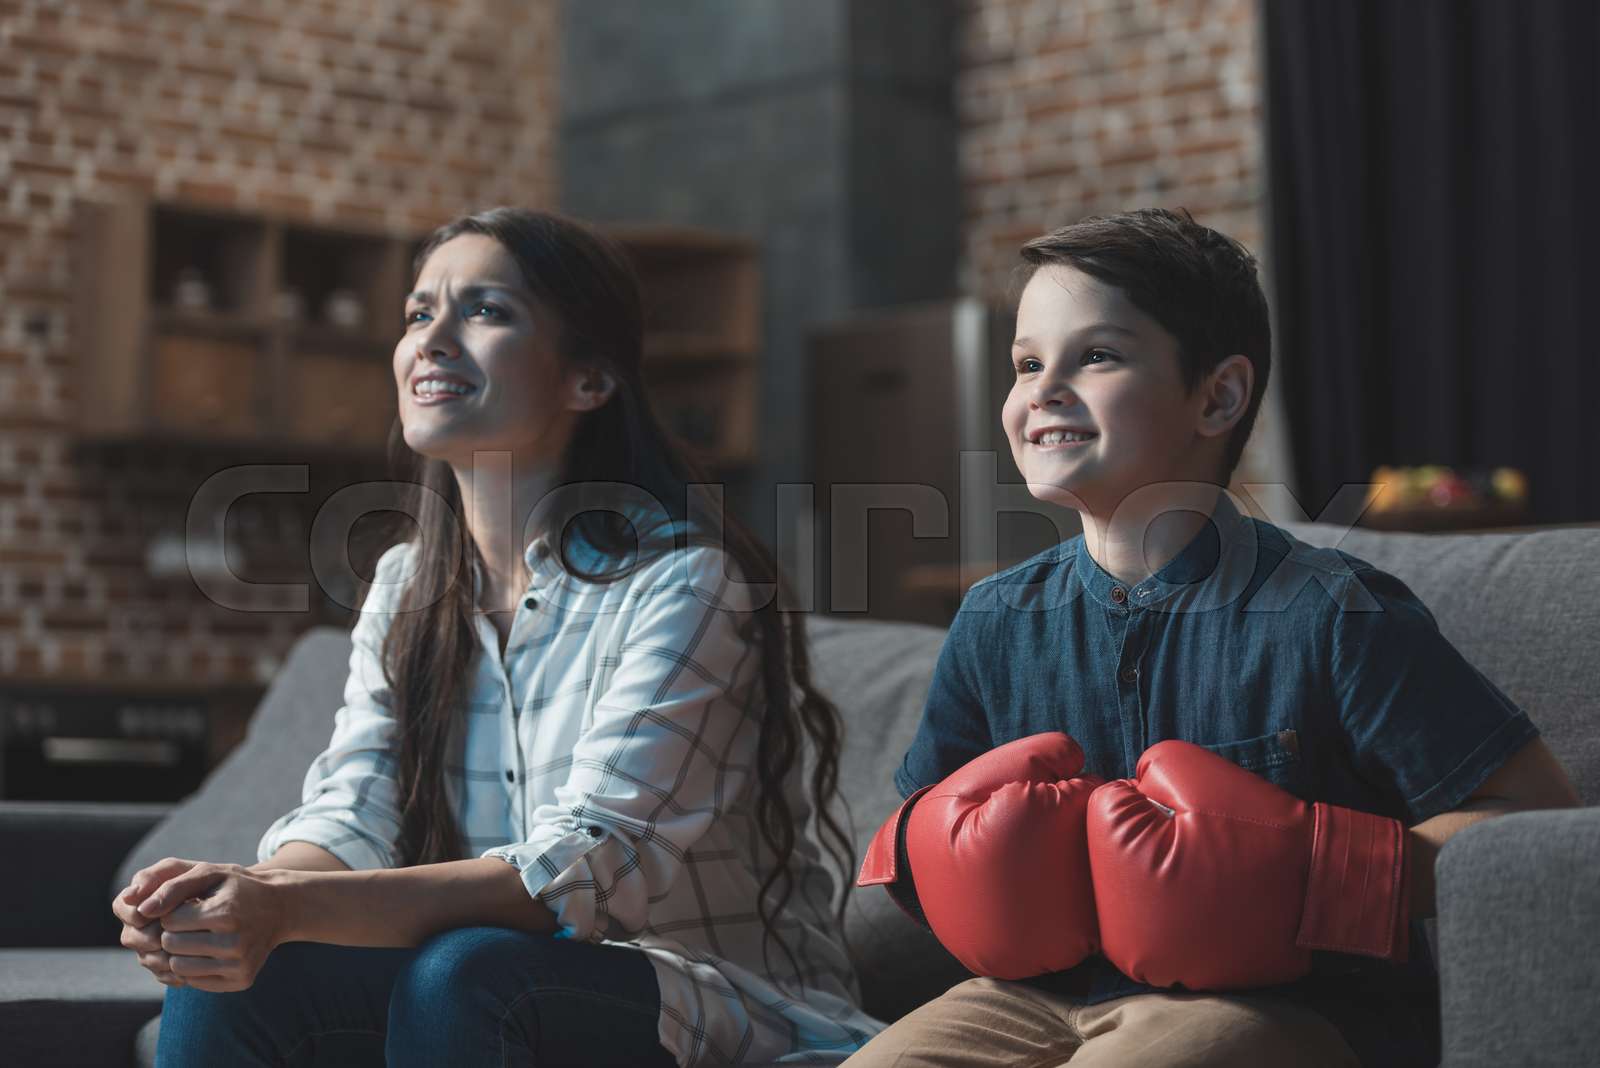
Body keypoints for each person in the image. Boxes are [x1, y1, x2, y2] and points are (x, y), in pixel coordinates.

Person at [111, 208, 884, 1067]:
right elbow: (355, 810)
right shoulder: (408, 586)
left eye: (484, 311)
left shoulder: (683, 583)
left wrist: (286, 905)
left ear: (587, 380)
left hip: (707, 996)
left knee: (464, 971)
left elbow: (588, 863)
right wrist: (243, 898)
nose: (432, 339)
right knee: (238, 976)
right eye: (417, 313)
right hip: (498, 985)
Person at [845, 208, 1581, 1067]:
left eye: (1097, 355)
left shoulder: (1333, 612)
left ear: (1218, 395)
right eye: (1028, 363)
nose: (1044, 388)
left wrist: (1312, 870)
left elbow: (1538, 822)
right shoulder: (994, 621)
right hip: (1036, 998)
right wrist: (946, 859)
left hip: (1293, 1007)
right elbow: (908, 842)